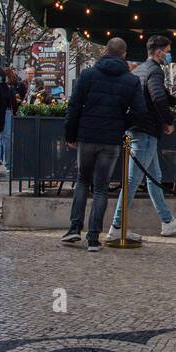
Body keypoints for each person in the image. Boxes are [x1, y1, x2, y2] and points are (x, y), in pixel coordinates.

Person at [62, 38, 149, 251]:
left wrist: (70, 134)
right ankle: (93, 238)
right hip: (111, 139)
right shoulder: (130, 80)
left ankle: (74, 229)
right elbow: (140, 112)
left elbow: (74, 106)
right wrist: (121, 123)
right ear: (124, 54)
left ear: (105, 51)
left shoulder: (89, 74)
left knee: (83, 181)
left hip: (87, 135)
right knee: (101, 188)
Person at [108, 36, 176, 241]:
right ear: (159, 52)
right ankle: (117, 226)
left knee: (154, 177)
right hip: (146, 132)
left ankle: (167, 221)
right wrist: (168, 120)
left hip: (136, 129)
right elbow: (158, 96)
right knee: (132, 180)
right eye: (168, 51)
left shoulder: (139, 70)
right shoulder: (155, 70)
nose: (169, 55)